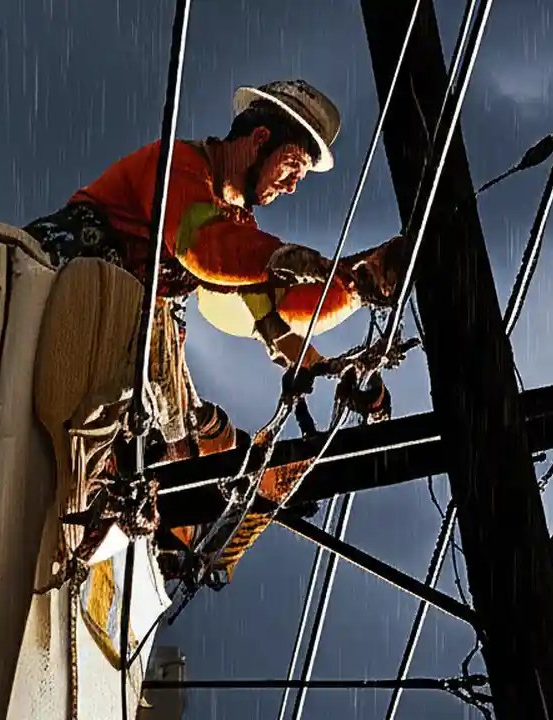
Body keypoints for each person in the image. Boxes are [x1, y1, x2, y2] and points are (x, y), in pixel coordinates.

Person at [26, 79, 402, 583]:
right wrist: (278, 258)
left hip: (112, 335)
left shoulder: (236, 224)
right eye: (292, 166)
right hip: (57, 285)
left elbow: (280, 310)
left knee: (194, 417)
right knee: (164, 367)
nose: (292, 185)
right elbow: (202, 246)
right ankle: (173, 484)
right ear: (259, 139)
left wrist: (355, 288)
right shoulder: (177, 166)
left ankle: (176, 501)